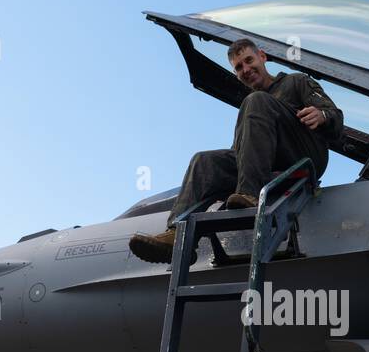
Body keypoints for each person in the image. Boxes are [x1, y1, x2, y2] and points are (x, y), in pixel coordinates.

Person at [129, 38, 343, 263]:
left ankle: (249, 193)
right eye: (239, 67)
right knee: (203, 161)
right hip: (266, 164)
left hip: (304, 156)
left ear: (262, 56)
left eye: (249, 60)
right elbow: (243, 152)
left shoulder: (295, 82)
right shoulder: (251, 108)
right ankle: (177, 236)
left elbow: (337, 122)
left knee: (257, 100)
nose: (246, 69)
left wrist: (323, 115)